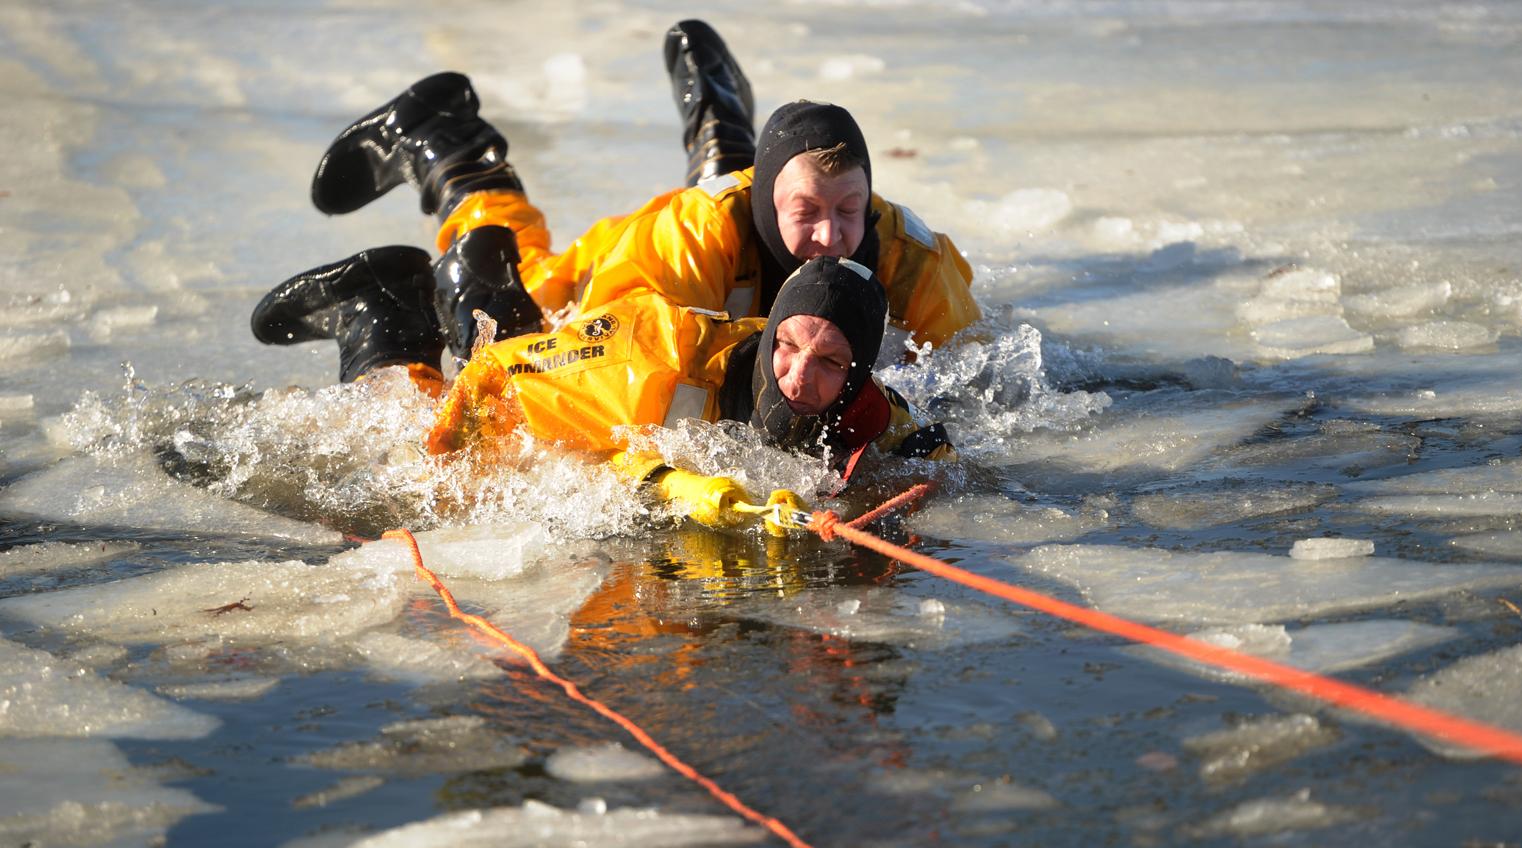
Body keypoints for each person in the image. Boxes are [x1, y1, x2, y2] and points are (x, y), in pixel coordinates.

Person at [306, 20, 980, 356]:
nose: (832, 235)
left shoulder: (906, 252)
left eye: (849, 210)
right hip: (611, 278)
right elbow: (616, 361)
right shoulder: (689, 235)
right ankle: (449, 148)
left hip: (732, 234)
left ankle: (720, 117)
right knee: (519, 326)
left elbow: (972, 371)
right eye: (805, 212)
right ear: (769, 205)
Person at [251, 248, 954, 529]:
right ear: (769, 335)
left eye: (831, 362)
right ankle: (379, 317)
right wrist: (680, 485)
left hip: (594, 394)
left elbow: (926, 444)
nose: (801, 376)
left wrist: (929, 479)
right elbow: (581, 448)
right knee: (421, 465)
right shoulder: (654, 355)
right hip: (531, 396)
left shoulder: (865, 403)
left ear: (858, 372)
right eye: (789, 347)